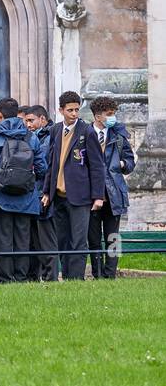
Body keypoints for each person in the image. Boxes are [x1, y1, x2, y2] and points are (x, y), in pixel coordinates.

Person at [0, 97, 47, 283]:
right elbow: (41, 168)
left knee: (3, 238)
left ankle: (5, 278)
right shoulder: (30, 136)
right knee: (23, 239)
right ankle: (21, 277)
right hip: (26, 196)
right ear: (18, 114)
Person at [43, 91, 107, 281]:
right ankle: (67, 276)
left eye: (77, 110)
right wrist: (47, 191)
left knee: (78, 240)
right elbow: (52, 163)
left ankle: (76, 279)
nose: (74, 114)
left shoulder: (86, 131)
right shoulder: (54, 130)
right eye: (70, 110)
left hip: (80, 196)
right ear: (61, 110)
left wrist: (98, 196)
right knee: (62, 240)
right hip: (59, 195)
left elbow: (97, 166)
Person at [89, 96, 135, 279]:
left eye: (114, 113)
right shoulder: (86, 134)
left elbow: (130, 162)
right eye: (109, 114)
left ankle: (111, 274)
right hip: (92, 194)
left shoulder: (118, 135)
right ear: (98, 116)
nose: (112, 117)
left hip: (114, 192)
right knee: (92, 238)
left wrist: (121, 163)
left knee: (113, 238)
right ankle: (97, 273)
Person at [21, 104, 58, 281]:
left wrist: (47, 192)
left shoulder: (50, 137)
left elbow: (47, 167)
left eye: (31, 120)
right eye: (26, 121)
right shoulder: (33, 137)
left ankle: (50, 276)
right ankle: (35, 276)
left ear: (42, 119)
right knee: (34, 240)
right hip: (32, 193)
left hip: (43, 193)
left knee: (46, 239)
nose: (28, 124)